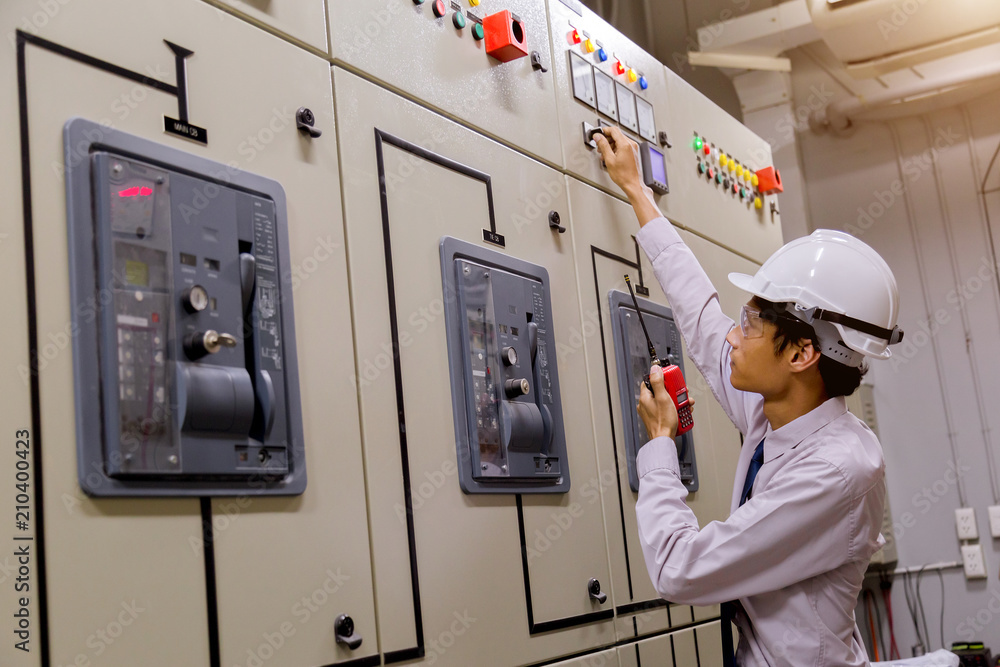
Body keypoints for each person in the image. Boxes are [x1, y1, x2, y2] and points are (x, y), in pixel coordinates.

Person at [593, 126, 905, 666]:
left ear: (802, 353)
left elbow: (679, 570)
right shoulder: (778, 413)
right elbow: (700, 319)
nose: (734, 334)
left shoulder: (836, 471)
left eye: (752, 322)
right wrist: (638, 192)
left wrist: (662, 448)